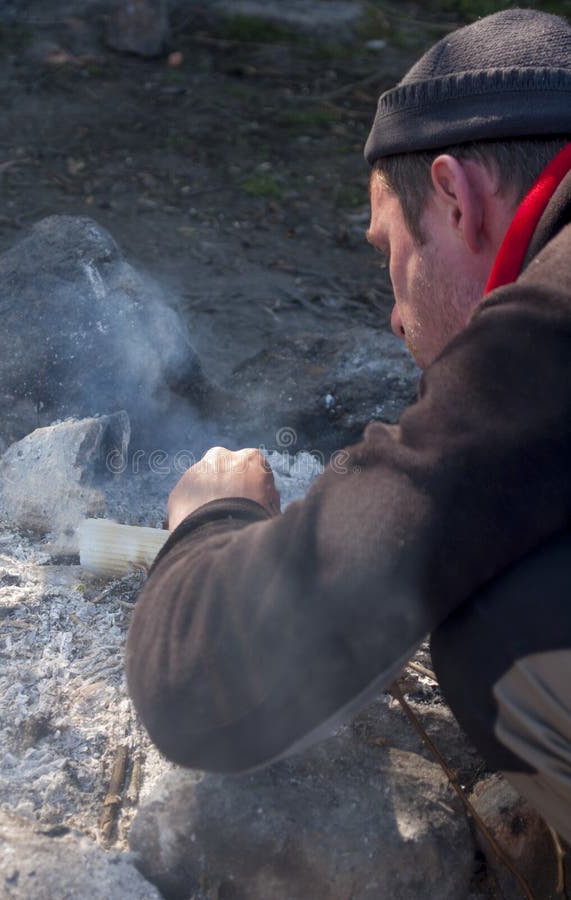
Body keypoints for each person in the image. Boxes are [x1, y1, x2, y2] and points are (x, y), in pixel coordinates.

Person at [126, 8, 571, 842]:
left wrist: (212, 521)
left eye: (386, 250)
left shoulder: (551, 320)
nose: (395, 319)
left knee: (502, 620)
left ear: (453, 198)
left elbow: (200, 682)